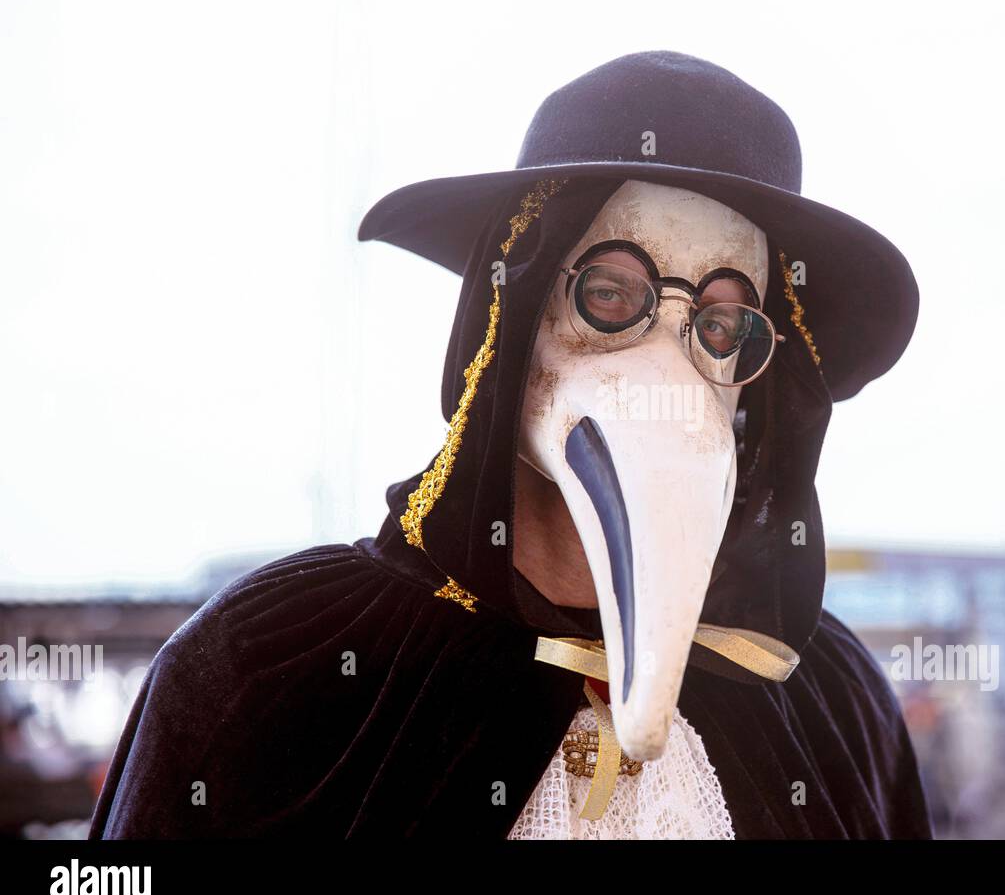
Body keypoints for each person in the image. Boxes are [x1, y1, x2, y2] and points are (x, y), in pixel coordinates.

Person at [90, 50, 931, 839]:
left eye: (718, 324)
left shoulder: (826, 701)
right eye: (610, 295)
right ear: (511, 315)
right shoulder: (276, 665)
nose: (662, 367)